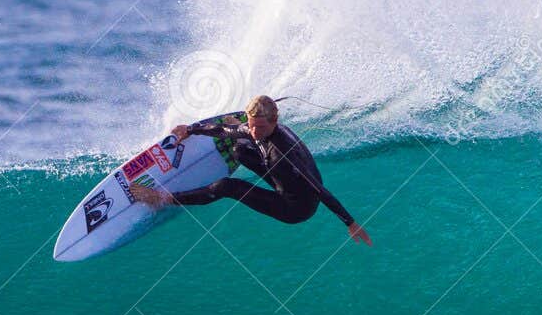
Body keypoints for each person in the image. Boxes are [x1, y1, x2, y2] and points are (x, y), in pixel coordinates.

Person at [132, 95, 372, 244]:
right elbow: (226, 130)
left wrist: (349, 223)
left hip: (295, 207)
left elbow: (319, 190)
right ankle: (241, 146)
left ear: (274, 121)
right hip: (281, 177)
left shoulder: (284, 152)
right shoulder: (258, 128)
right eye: (251, 124)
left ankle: (161, 199)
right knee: (240, 149)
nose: (254, 130)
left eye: (259, 126)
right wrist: (191, 129)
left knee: (228, 186)